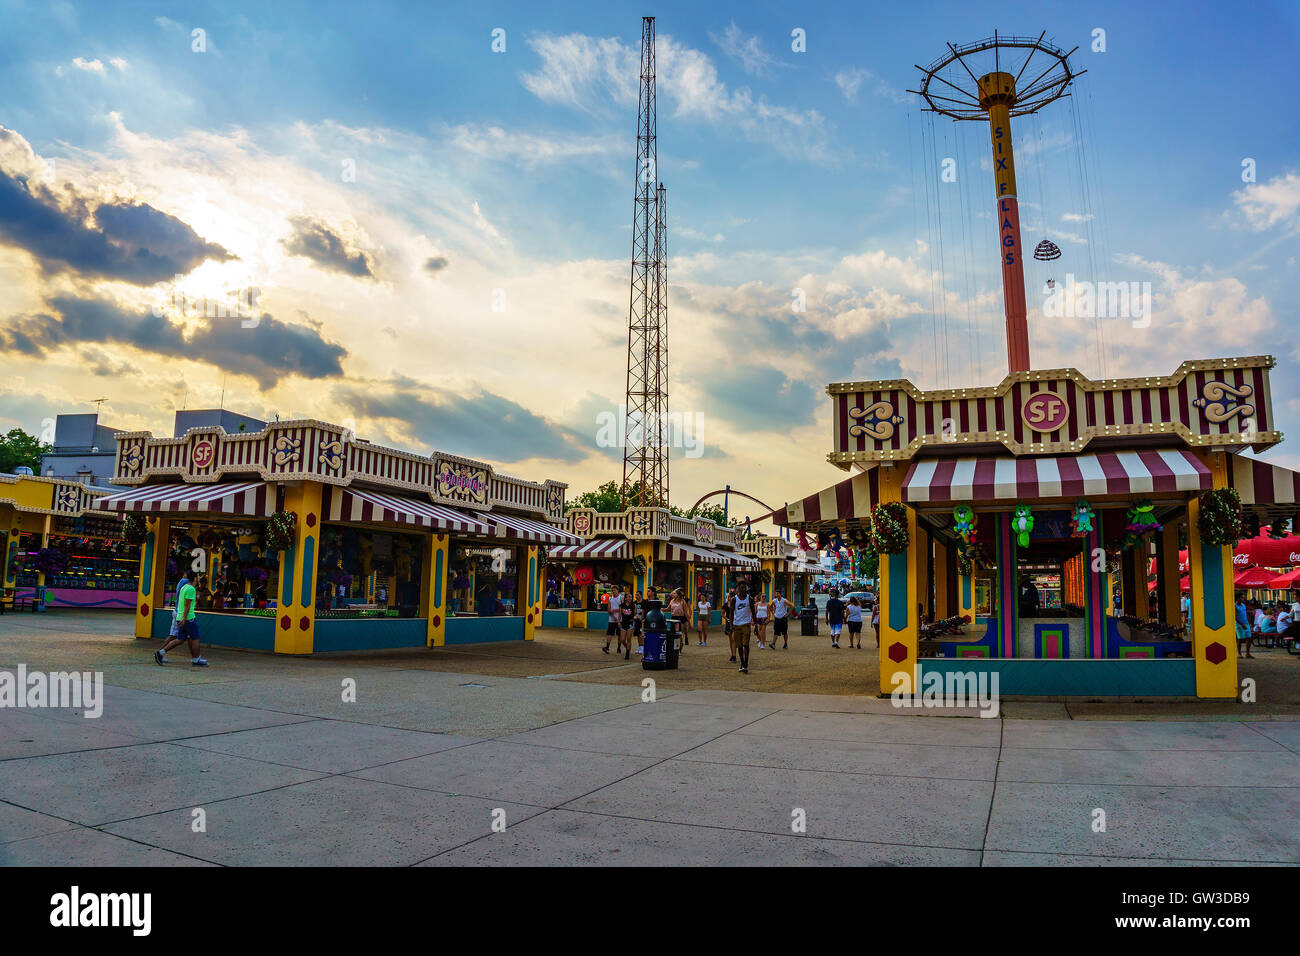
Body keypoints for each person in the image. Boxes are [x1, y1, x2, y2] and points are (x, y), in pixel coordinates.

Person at [155, 571, 208, 667]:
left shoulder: (184, 587)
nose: (198, 578)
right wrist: (184, 618)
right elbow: (187, 605)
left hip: (181, 617)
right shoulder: (191, 589)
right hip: (189, 618)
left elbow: (182, 604)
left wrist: (181, 618)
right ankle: (196, 660)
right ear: (195, 578)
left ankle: (161, 652)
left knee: (180, 639)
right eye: (198, 577)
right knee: (196, 638)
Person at [729, 582, 754, 674]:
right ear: (738, 589)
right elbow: (731, 613)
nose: (743, 590)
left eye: (745, 588)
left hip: (746, 624)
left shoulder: (749, 599)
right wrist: (731, 625)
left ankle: (746, 664)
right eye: (741, 588)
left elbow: (753, 611)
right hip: (736, 625)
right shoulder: (734, 599)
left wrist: (754, 623)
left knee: (746, 644)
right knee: (739, 645)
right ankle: (742, 663)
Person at [604, 585, 622, 654]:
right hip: (611, 620)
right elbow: (608, 609)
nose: (613, 591)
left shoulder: (620, 598)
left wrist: (614, 610)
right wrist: (613, 617)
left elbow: (622, 608)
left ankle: (619, 647)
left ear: (618, 590)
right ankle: (607, 647)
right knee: (609, 634)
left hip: (619, 620)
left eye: (615, 590)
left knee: (619, 634)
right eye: (612, 590)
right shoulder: (610, 599)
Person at [722, 588, 737, 662]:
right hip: (728, 622)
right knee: (731, 640)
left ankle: (734, 655)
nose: (728, 598)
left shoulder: (736, 604)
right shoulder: (725, 605)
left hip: (735, 622)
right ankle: (733, 655)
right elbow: (722, 614)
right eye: (728, 597)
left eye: (729, 596)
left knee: (734, 639)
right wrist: (726, 619)